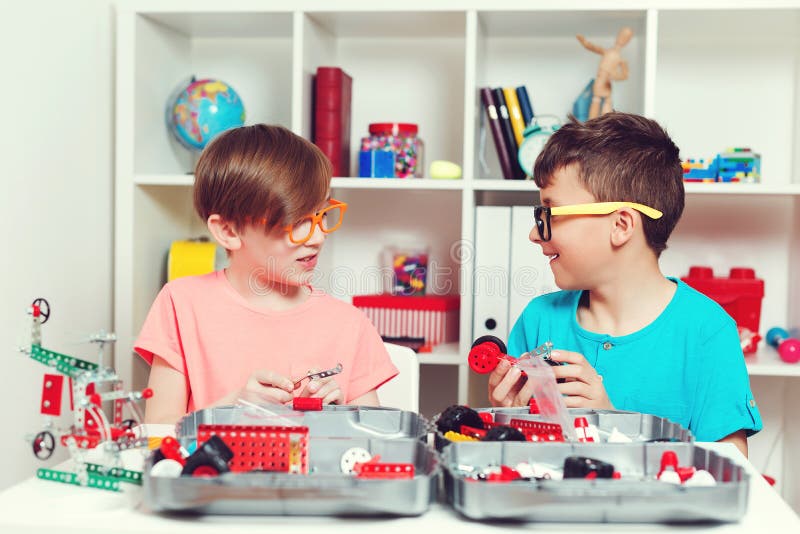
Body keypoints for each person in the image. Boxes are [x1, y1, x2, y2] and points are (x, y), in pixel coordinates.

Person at [487, 112, 762, 456]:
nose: (534, 233)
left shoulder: (707, 332)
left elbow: (728, 468)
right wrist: (506, 419)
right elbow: (515, 457)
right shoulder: (538, 319)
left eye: (549, 214)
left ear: (620, 225)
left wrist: (611, 425)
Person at [135, 124, 398, 424]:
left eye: (322, 214)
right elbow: (158, 431)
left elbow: (374, 439)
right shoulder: (181, 305)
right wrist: (231, 409)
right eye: (296, 222)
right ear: (228, 231)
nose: (318, 237)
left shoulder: (349, 324)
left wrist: (339, 415)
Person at [577, 27, 633, 119]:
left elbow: (624, 76)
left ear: (628, 41)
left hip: (607, 84)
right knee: (596, 101)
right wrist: (584, 42)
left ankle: (605, 124)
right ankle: (592, 124)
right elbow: (594, 48)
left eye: (625, 37)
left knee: (607, 104)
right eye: (621, 35)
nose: (621, 39)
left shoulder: (621, 60)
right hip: (600, 81)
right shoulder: (607, 52)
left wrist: (614, 76)